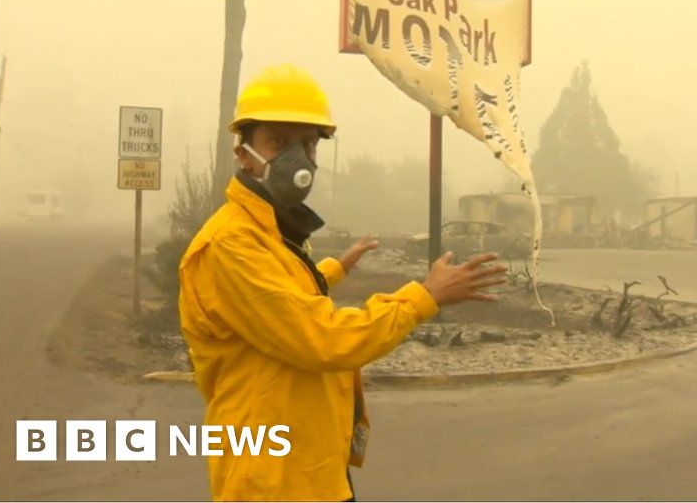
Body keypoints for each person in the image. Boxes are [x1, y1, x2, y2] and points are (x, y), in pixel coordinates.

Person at [178, 64, 507, 501]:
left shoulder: (272, 232)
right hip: (271, 483)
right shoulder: (229, 245)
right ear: (244, 154)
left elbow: (282, 299)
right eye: (278, 142)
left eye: (307, 144)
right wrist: (424, 297)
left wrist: (332, 270)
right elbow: (322, 338)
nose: (297, 158)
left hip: (312, 469)